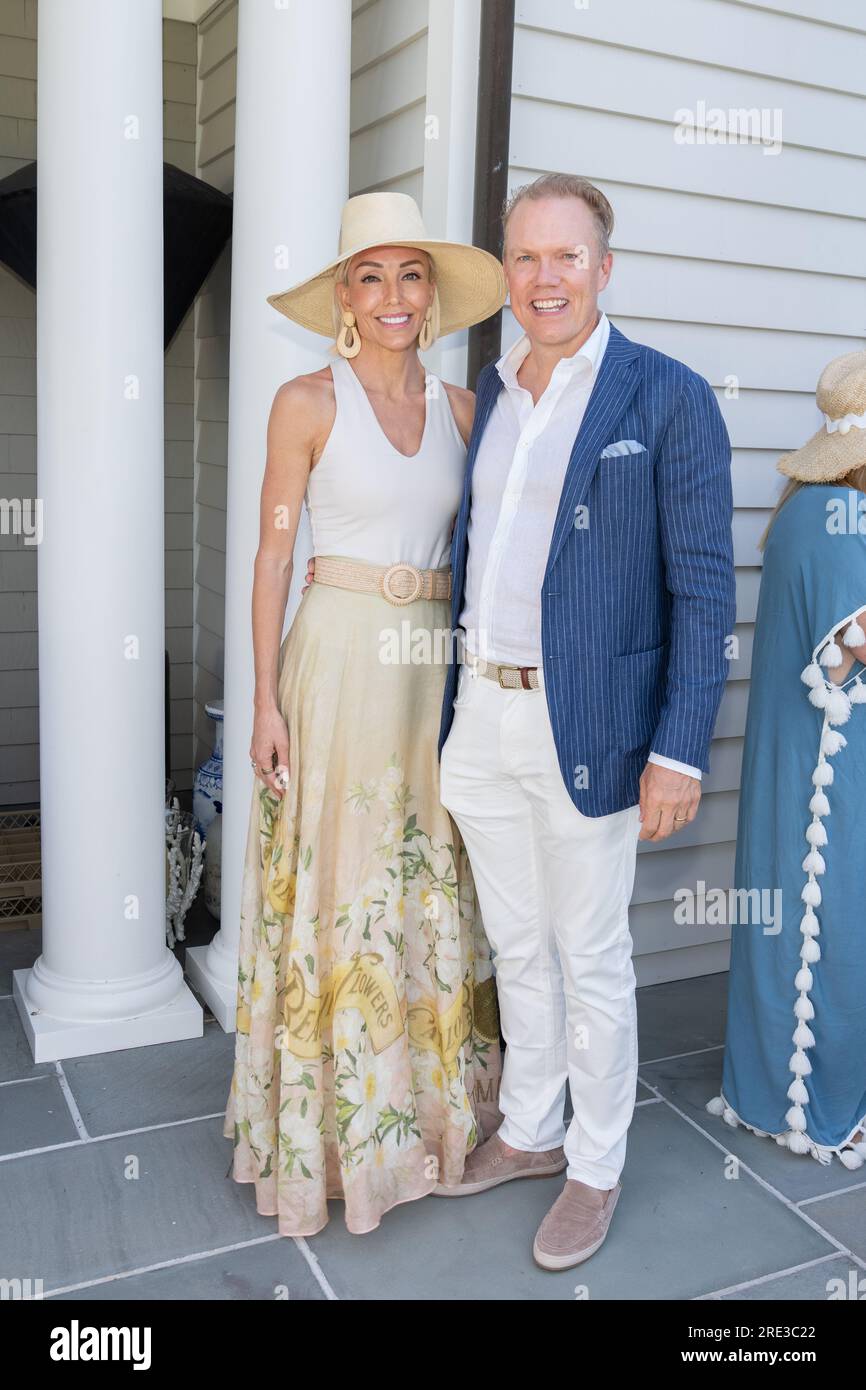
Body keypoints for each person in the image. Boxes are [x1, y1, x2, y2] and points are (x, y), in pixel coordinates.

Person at [432, 173, 737, 1271]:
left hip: (595, 727)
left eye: (566, 256)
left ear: (603, 268)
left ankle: (595, 1166)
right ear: (505, 273)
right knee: (515, 939)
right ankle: (529, 1126)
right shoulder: (493, 390)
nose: (544, 277)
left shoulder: (664, 396)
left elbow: (703, 588)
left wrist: (674, 748)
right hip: (478, 714)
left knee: (590, 952)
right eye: (525, 258)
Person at [222, 191, 506, 1237]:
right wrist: (261, 700)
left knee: (424, 880)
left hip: (427, 670)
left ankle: (422, 1121)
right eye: (371, 276)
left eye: (411, 274)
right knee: (337, 885)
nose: (392, 295)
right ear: (344, 294)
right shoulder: (305, 401)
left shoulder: (464, 413)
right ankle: (329, 1142)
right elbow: (269, 556)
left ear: (431, 294)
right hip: (334, 664)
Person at [707, 350, 866, 1169]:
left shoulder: (805, 508)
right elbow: (842, 661)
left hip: (796, 754)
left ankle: (769, 1088)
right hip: (830, 770)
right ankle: (821, 1100)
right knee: (833, 918)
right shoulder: (844, 525)